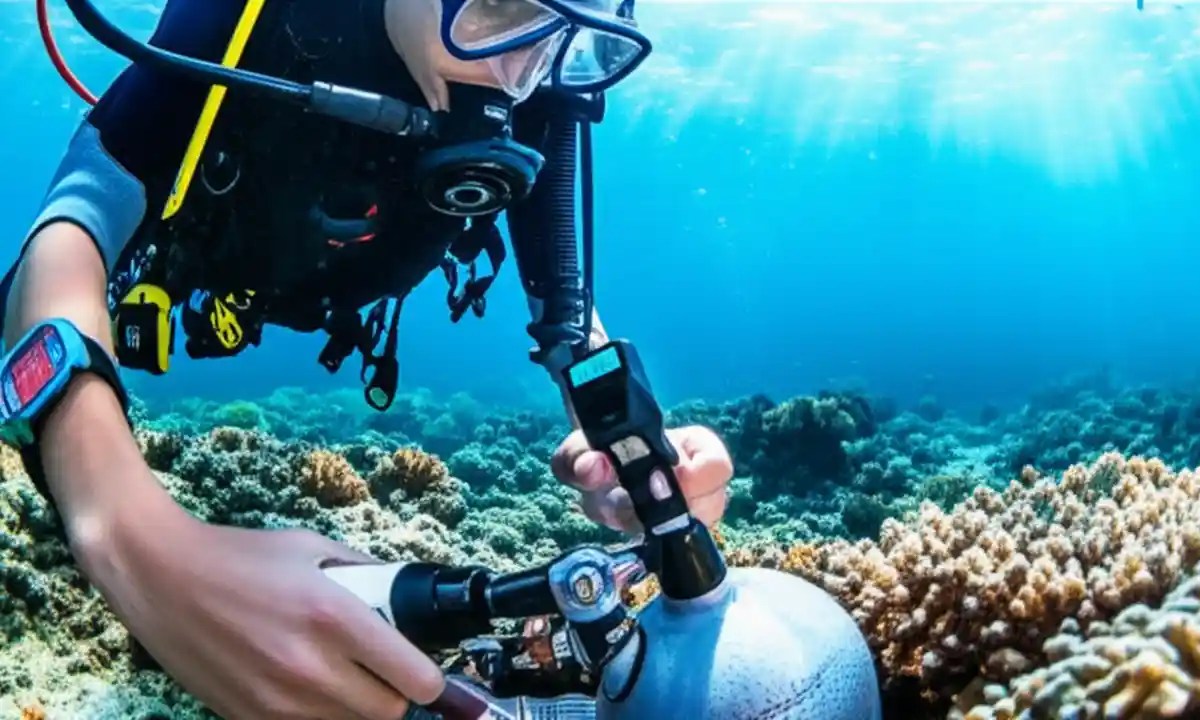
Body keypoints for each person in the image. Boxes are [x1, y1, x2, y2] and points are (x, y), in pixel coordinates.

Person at [0, 0, 733, 717]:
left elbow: (566, 315)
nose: (520, 70)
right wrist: (121, 527)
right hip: (205, 257)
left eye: (565, 31)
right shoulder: (252, 11)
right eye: (500, 5)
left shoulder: (543, 69)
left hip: (339, 290)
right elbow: (75, 223)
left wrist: (630, 451)